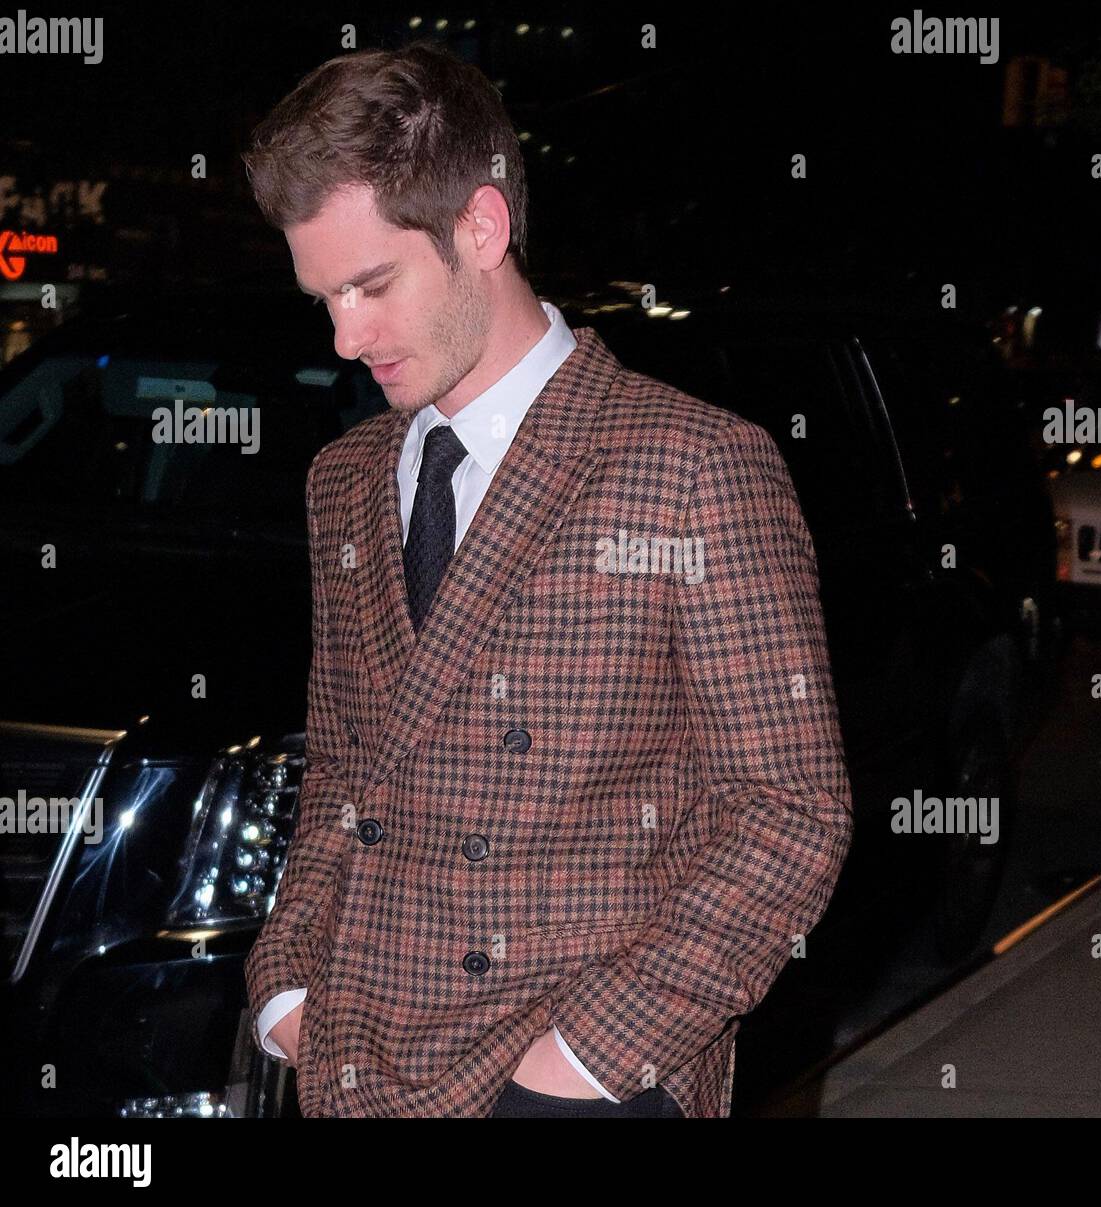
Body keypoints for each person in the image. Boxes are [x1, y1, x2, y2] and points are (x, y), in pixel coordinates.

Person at [240, 39, 853, 1118]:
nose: (344, 336)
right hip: (355, 1061)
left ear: (480, 226)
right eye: (323, 296)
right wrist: (287, 980)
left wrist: (584, 1064)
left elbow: (787, 813)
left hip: (571, 1072)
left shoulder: (690, 464)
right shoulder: (344, 478)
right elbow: (341, 771)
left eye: (372, 284)